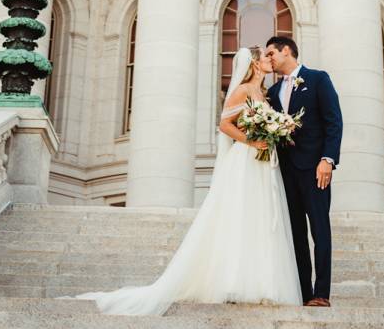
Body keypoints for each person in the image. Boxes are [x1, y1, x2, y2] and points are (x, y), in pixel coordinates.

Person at [71, 46, 301, 315]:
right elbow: (225, 125)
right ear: (253, 63)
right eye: (264, 57)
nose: (269, 60)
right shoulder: (242, 90)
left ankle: (264, 283)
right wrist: (253, 141)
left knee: (260, 217)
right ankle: (235, 281)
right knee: (241, 215)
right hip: (247, 159)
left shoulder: (263, 94)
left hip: (262, 163)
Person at [264, 35, 343, 307]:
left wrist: (328, 159)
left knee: (320, 230)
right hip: (286, 172)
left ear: (287, 51)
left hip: (315, 169)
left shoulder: (318, 79)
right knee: (296, 233)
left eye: (272, 53)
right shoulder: (272, 93)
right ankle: (304, 293)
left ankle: (321, 293)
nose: (269, 60)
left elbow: (334, 122)